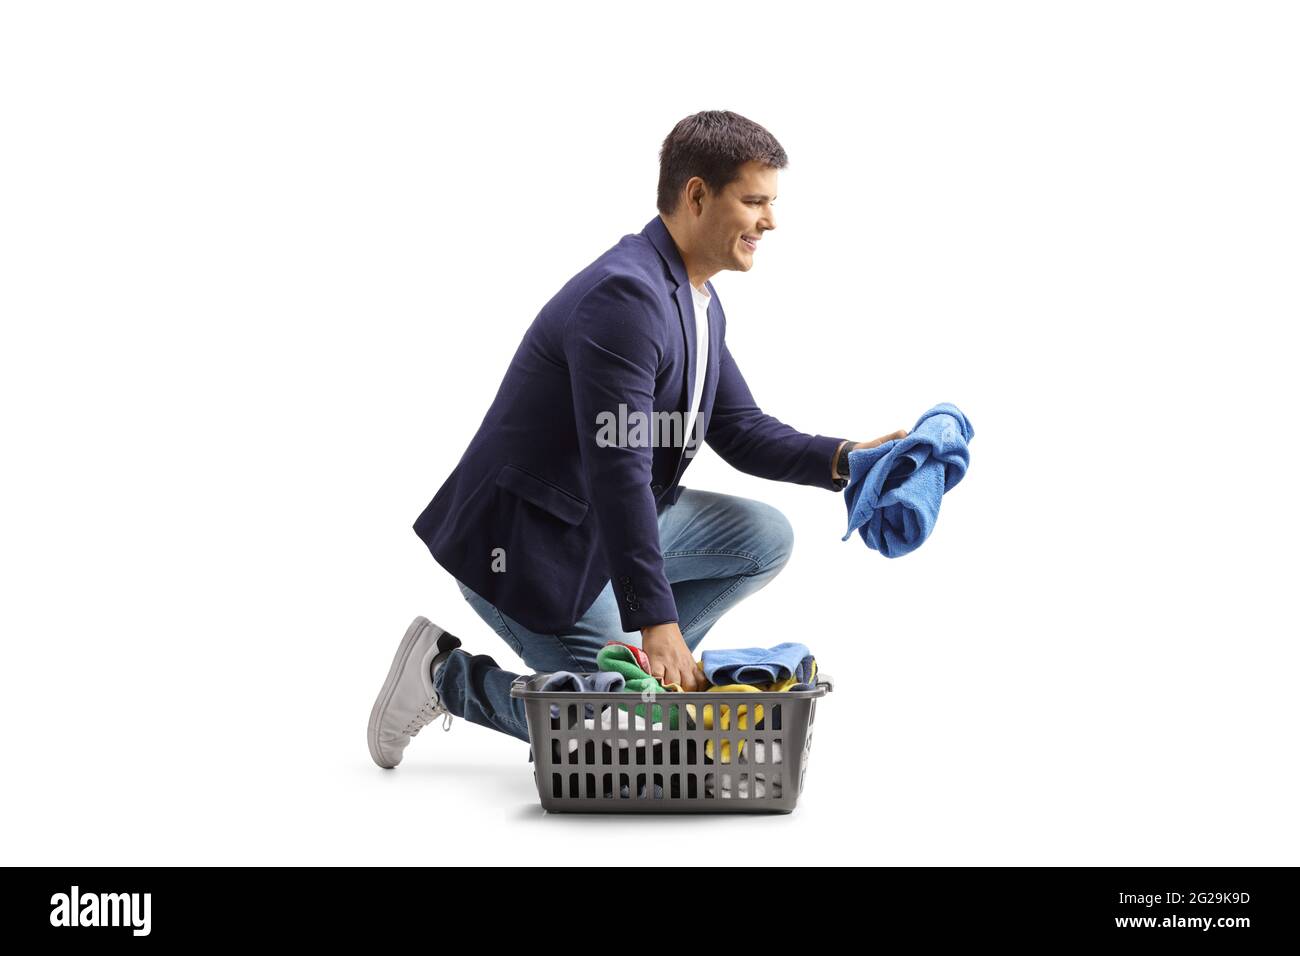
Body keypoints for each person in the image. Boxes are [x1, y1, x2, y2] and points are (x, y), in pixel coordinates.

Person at [368, 110, 907, 768]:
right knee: (631, 743)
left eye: (772, 202)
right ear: (698, 195)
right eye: (755, 200)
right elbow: (618, 466)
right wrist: (658, 619)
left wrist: (853, 460)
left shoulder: (692, 295)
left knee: (765, 537)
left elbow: (739, 429)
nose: (770, 221)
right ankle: (445, 677)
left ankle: (638, 676)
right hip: (527, 548)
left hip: (598, 535)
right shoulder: (626, 297)